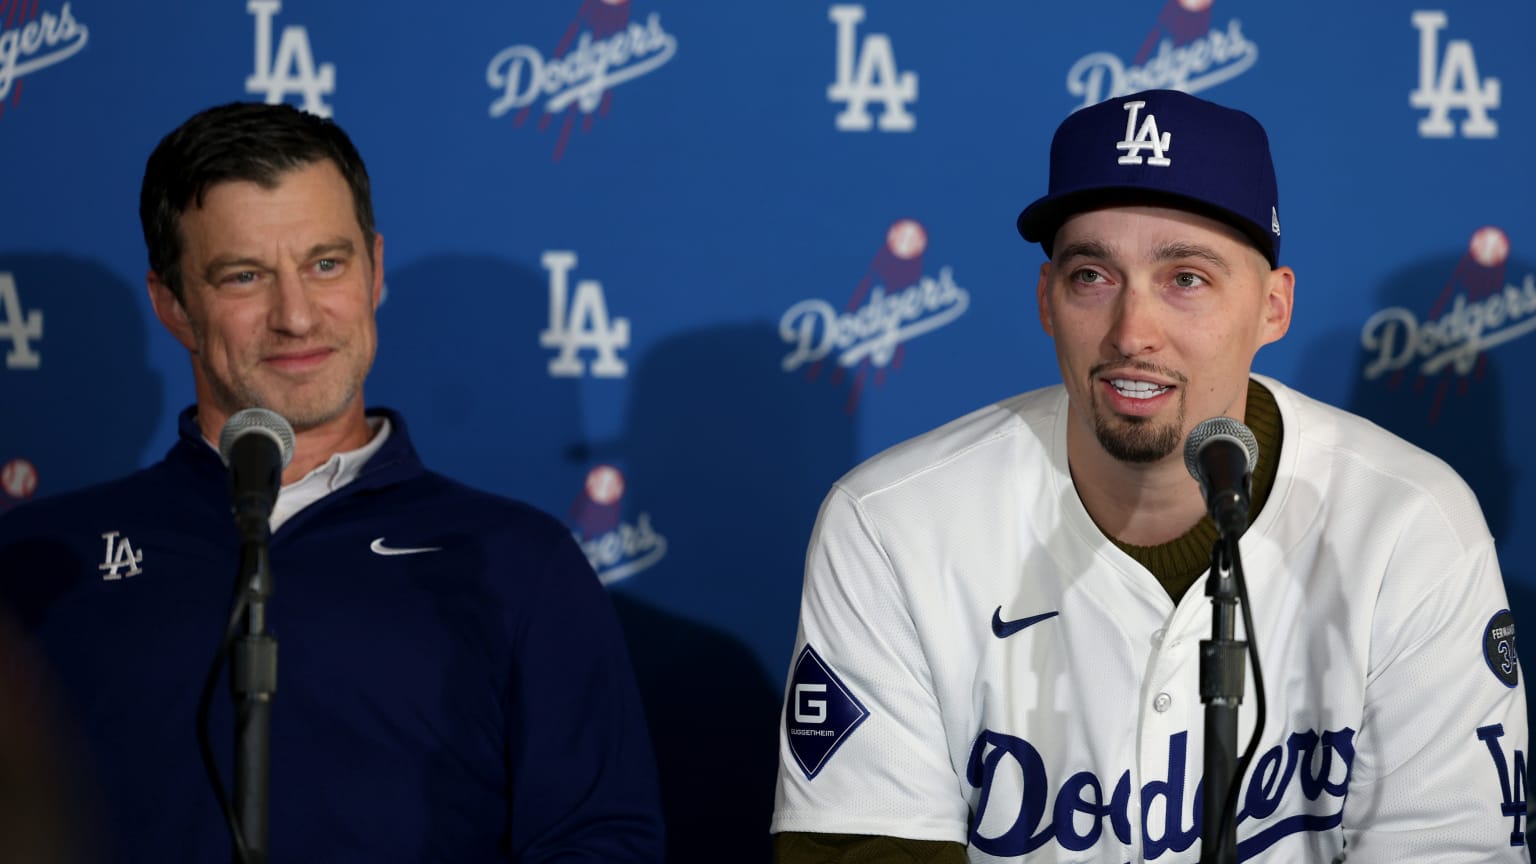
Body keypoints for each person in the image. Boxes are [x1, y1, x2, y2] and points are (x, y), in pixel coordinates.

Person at [770, 89, 1528, 862]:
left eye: (1186, 278)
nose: (1132, 333)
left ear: (1273, 307)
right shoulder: (893, 523)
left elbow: (1451, 848)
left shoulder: (1407, 523)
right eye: (1091, 276)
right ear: (1047, 300)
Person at [0, 102, 664, 862]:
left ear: (374, 271)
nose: (296, 316)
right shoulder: (37, 563)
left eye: (326, 264)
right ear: (174, 305)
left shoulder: (516, 562)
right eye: (245, 276)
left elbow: (598, 842)